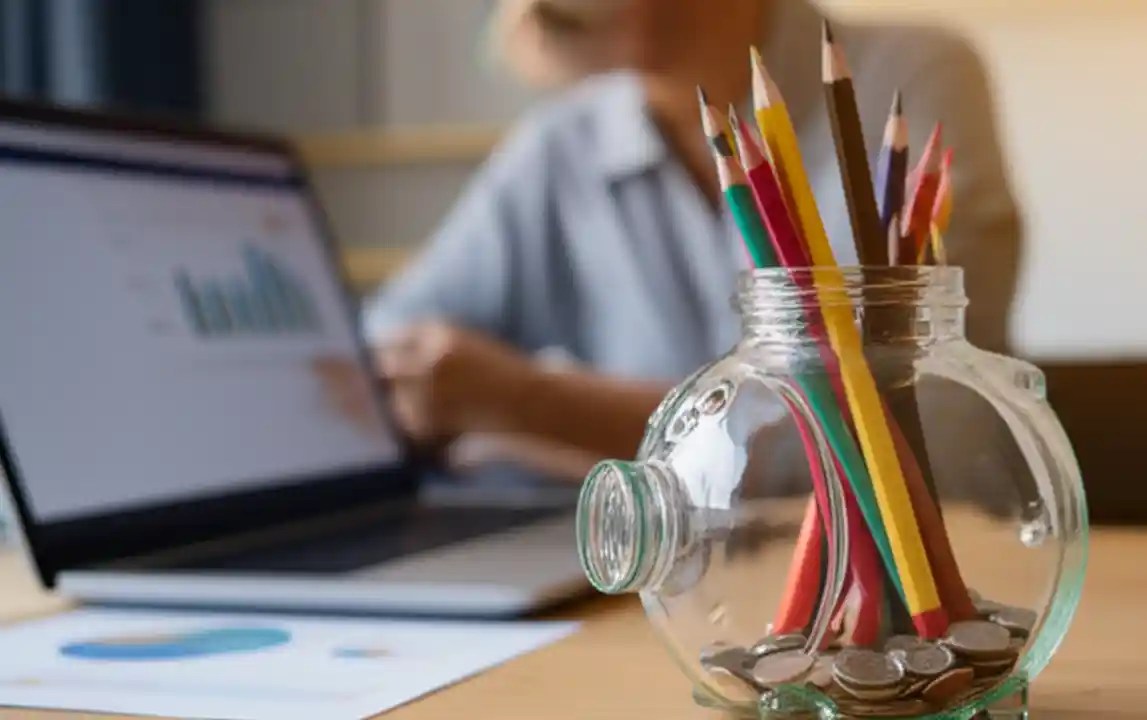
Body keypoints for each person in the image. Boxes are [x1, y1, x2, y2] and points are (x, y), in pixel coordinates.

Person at [364, 0, 1021, 472]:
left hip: (921, 573)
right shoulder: (560, 143)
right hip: (647, 587)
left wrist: (529, 404)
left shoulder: (911, 73)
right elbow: (388, 362)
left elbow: (863, 434)